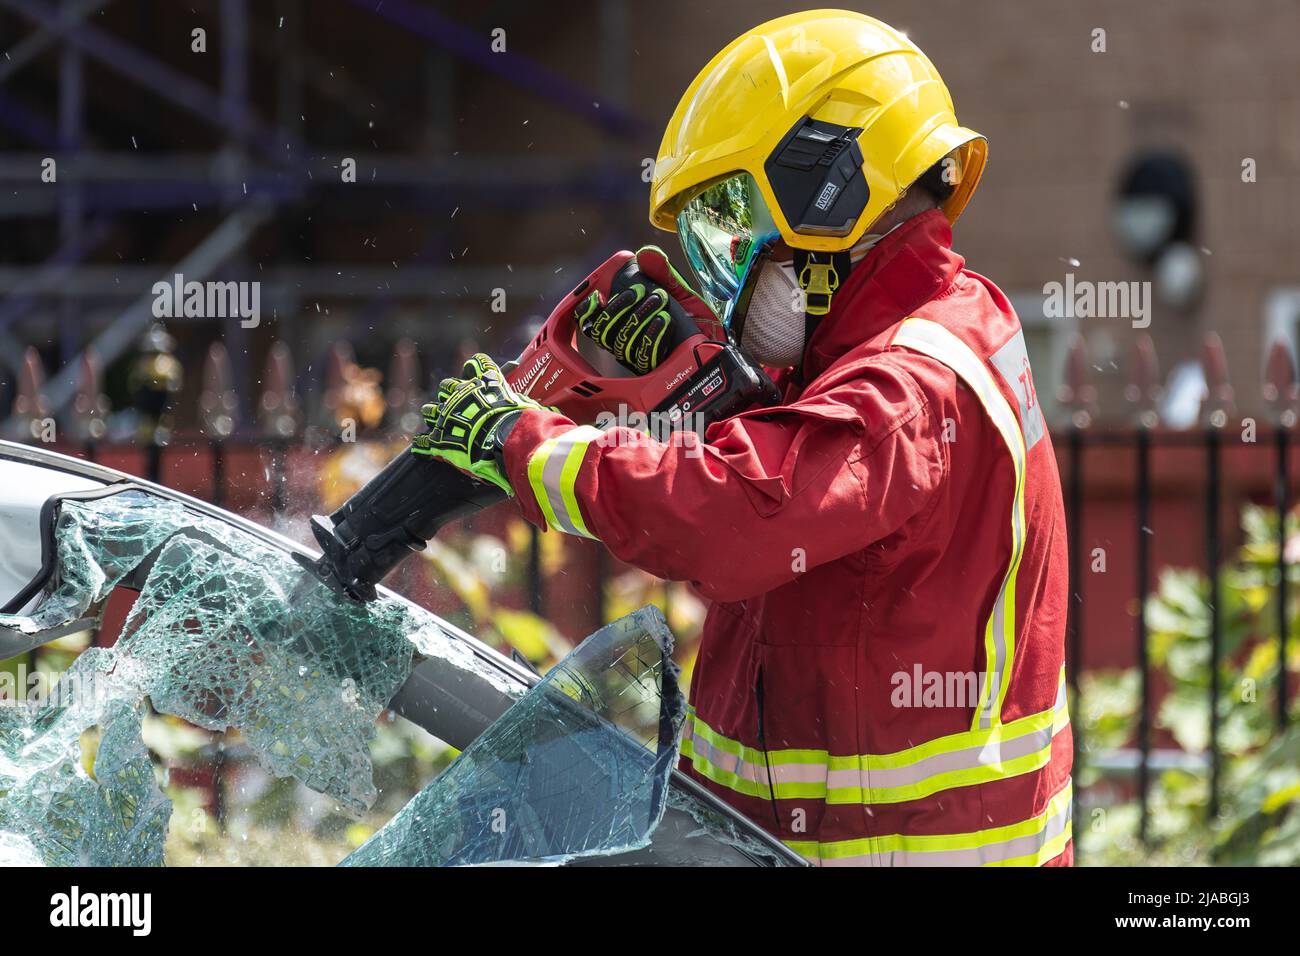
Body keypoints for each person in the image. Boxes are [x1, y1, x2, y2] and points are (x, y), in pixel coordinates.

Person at [412, 10, 1071, 866]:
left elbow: (749, 510)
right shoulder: (908, 330)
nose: (730, 272)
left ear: (829, 192)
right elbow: (818, 476)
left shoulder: (911, 384)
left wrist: (525, 446)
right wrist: (706, 377)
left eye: (736, 223)